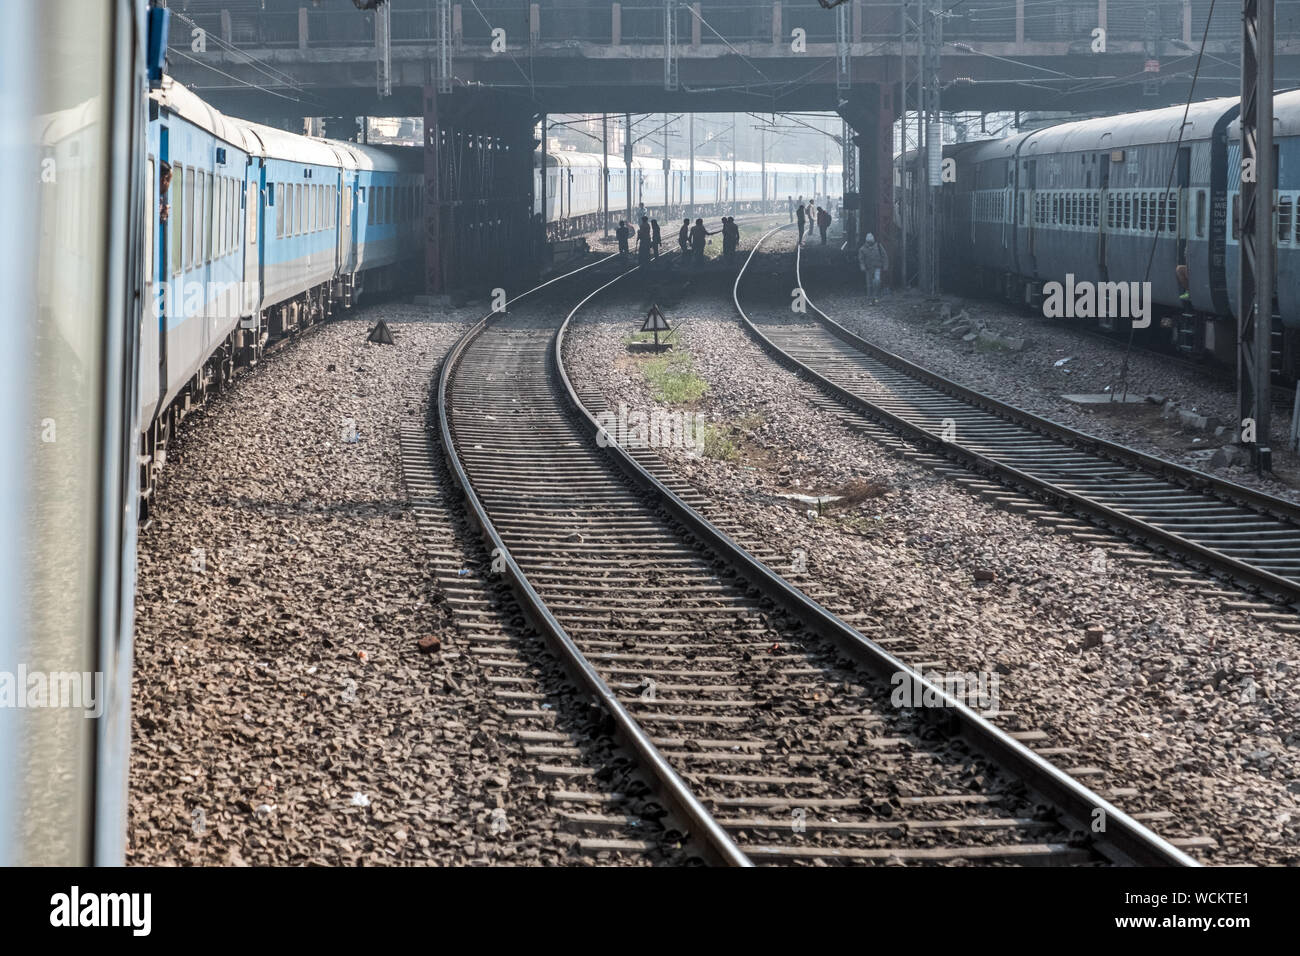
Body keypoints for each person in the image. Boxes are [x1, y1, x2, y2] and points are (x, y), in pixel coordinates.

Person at [858, 233, 888, 304]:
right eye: (869, 242)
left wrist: (885, 266)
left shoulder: (879, 246)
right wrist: (862, 267)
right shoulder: (862, 249)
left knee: (877, 281)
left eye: (871, 241)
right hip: (868, 269)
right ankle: (870, 299)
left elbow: (884, 256)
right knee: (869, 284)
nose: (870, 243)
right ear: (866, 241)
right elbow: (861, 259)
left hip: (877, 267)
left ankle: (876, 297)